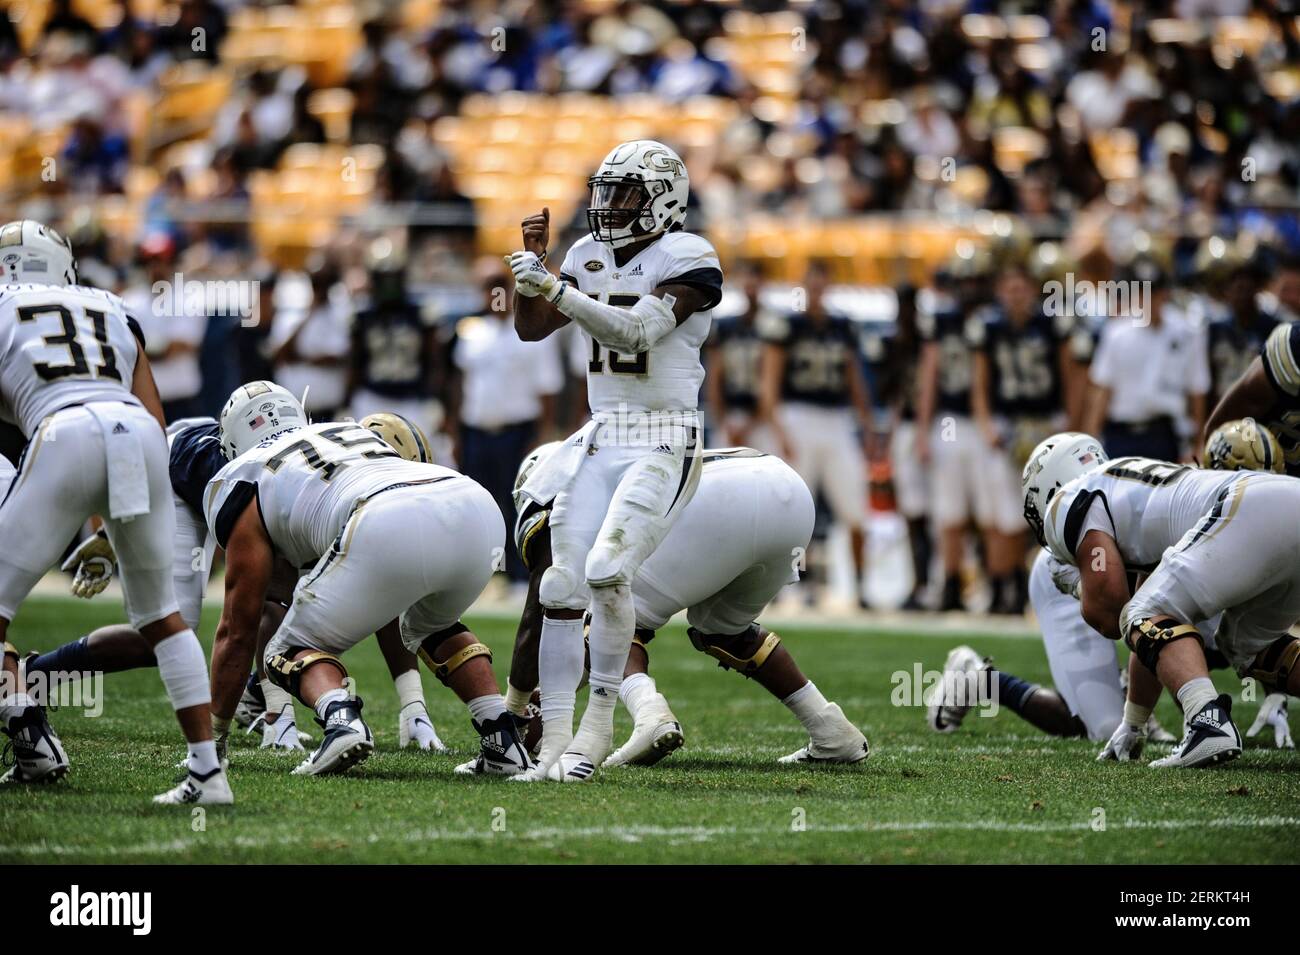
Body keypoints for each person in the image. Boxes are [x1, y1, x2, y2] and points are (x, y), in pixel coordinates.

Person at [508, 139, 723, 782]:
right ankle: (549, 746)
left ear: (663, 198)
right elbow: (531, 327)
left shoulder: (690, 256)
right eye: (606, 191)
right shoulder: (586, 255)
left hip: (665, 432)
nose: (609, 206)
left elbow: (636, 332)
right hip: (603, 431)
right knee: (558, 584)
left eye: (624, 193)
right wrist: (534, 279)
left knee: (606, 570)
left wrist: (554, 288)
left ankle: (595, 731)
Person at [0, 219, 230, 804]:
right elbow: (152, 416)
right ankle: (208, 773)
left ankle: (26, 724)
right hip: (139, 436)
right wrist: (112, 520)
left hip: (62, 432)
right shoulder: (111, 305)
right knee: (161, 616)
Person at [205, 383, 525, 776]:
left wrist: (213, 737)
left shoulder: (241, 474)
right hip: (473, 505)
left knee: (284, 650)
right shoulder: (347, 430)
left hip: (385, 516)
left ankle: (341, 720)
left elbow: (239, 627)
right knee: (430, 625)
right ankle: (503, 740)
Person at [504, 444, 867, 771]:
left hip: (717, 501)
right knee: (723, 630)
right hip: (786, 490)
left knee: (605, 613)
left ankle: (650, 715)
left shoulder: (578, 489)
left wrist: (522, 706)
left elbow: (555, 615)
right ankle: (831, 730)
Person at [1022, 431, 1300, 767]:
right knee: (1250, 646)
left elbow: (1112, 613)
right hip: (1280, 501)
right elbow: (1155, 629)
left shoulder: (1065, 503)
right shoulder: (1132, 497)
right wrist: (1133, 723)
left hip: (1248, 506)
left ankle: (1209, 724)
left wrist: (1084, 590)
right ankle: (1203, 720)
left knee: (1139, 614)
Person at [757, 260, 874, 608]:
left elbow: (856, 381)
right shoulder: (787, 325)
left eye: (823, 285)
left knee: (856, 508)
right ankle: (781, 586)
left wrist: (867, 424)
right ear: (803, 289)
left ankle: (861, 586)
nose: (818, 293)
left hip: (837, 419)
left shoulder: (843, 326)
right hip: (798, 416)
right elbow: (769, 383)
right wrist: (778, 428)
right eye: (813, 286)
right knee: (791, 510)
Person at [968, 263, 1074, 614]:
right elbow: (980, 383)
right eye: (1009, 288)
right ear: (1000, 291)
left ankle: (1041, 589)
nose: (1016, 295)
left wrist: (1068, 425)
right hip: (1007, 425)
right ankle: (1006, 586)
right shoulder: (990, 328)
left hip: (1046, 423)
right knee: (1004, 516)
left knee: (1052, 514)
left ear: (1032, 290)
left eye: (1021, 287)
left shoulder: (1051, 326)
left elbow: (1070, 376)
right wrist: (986, 426)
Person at [450, 258, 563, 585]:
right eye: (486, 286)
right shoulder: (470, 331)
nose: (492, 292)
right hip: (477, 430)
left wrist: (542, 434)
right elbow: (460, 383)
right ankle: (482, 573)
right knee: (479, 503)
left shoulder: (530, 331)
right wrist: (456, 431)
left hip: (517, 430)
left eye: (499, 283)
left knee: (519, 505)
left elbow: (548, 389)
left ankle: (518, 574)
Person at [1083, 257, 1209, 461]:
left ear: (1165, 293)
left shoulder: (1187, 332)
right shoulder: (1116, 333)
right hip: (1121, 433)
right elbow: (1101, 390)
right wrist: (1090, 443)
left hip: (1164, 433)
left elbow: (1196, 390)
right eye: (1142, 293)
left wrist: (1198, 443)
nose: (1148, 299)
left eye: (1154, 292)